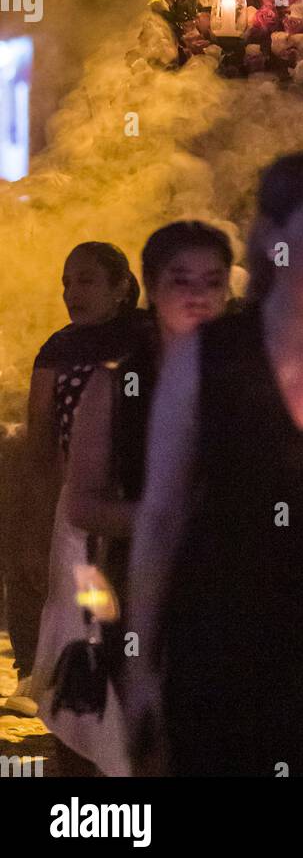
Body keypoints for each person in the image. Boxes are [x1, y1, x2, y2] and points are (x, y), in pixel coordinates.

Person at [125, 153, 303, 777]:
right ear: (273, 237)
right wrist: (138, 664)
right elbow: (162, 512)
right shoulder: (211, 357)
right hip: (226, 627)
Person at [63, 221, 233, 770]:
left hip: (242, 595)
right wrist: (161, 519)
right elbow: (82, 501)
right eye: (181, 280)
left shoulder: (255, 379)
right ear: (153, 288)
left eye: (213, 281)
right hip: (145, 602)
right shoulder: (116, 386)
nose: (198, 295)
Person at [2, 243, 141, 721]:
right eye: (66, 282)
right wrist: (33, 510)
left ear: (121, 287)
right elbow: (41, 436)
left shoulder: (149, 339)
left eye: (85, 281)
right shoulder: (60, 348)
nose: (71, 293)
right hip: (77, 498)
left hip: (139, 493)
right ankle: (71, 687)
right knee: (77, 594)